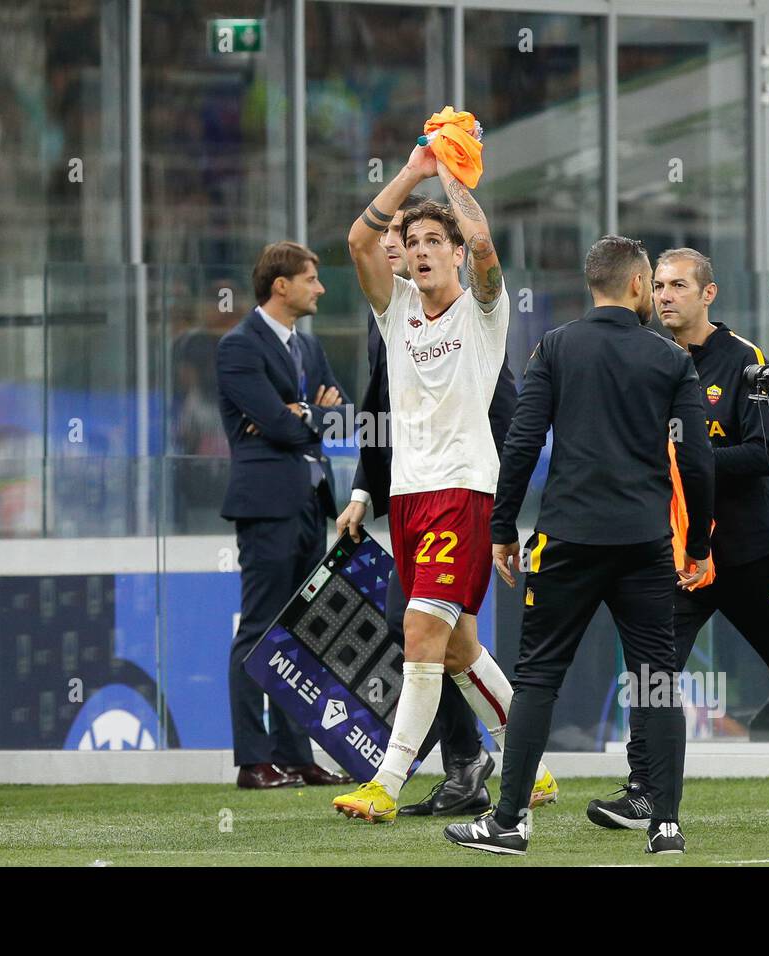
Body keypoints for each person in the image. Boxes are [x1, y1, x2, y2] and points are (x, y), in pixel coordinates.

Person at [589, 248, 769, 831]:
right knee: (654, 667)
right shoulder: (651, 359)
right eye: (660, 285)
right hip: (682, 552)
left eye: (678, 286)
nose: (665, 295)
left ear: (707, 294)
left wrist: (687, 461)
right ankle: (644, 787)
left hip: (750, 548)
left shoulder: (744, 359)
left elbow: (764, 454)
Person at [446, 235, 714, 856]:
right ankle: (667, 825)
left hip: (567, 537)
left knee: (538, 676)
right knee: (657, 679)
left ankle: (509, 821)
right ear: (638, 286)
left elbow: (521, 442)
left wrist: (503, 528)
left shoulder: (556, 347)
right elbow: (696, 461)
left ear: (593, 284)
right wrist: (696, 541)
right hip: (645, 541)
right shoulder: (671, 359)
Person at [331, 141, 557, 823]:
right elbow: (358, 239)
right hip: (407, 496)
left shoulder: (483, 313)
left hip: (462, 490)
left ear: (455, 253)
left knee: (421, 631)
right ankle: (533, 766)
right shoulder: (394, 310)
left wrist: (455, 181)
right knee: (458, 648)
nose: (422, 250)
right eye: (415, 240)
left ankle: (387, 782)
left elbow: (485, 243)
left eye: (435, 240)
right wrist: (415, 171)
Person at [216, 240, 354, 790]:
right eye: (311, 279)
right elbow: (280, 426)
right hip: (266, 507)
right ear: (281, 285)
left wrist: (308, 414)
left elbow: (338, 412)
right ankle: (254, 761)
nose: (320, 289)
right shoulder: (238, 347)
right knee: (258, 630)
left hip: (309, 504)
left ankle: (294, 756)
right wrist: (301, 416)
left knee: (298, 637)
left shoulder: (308, 347)